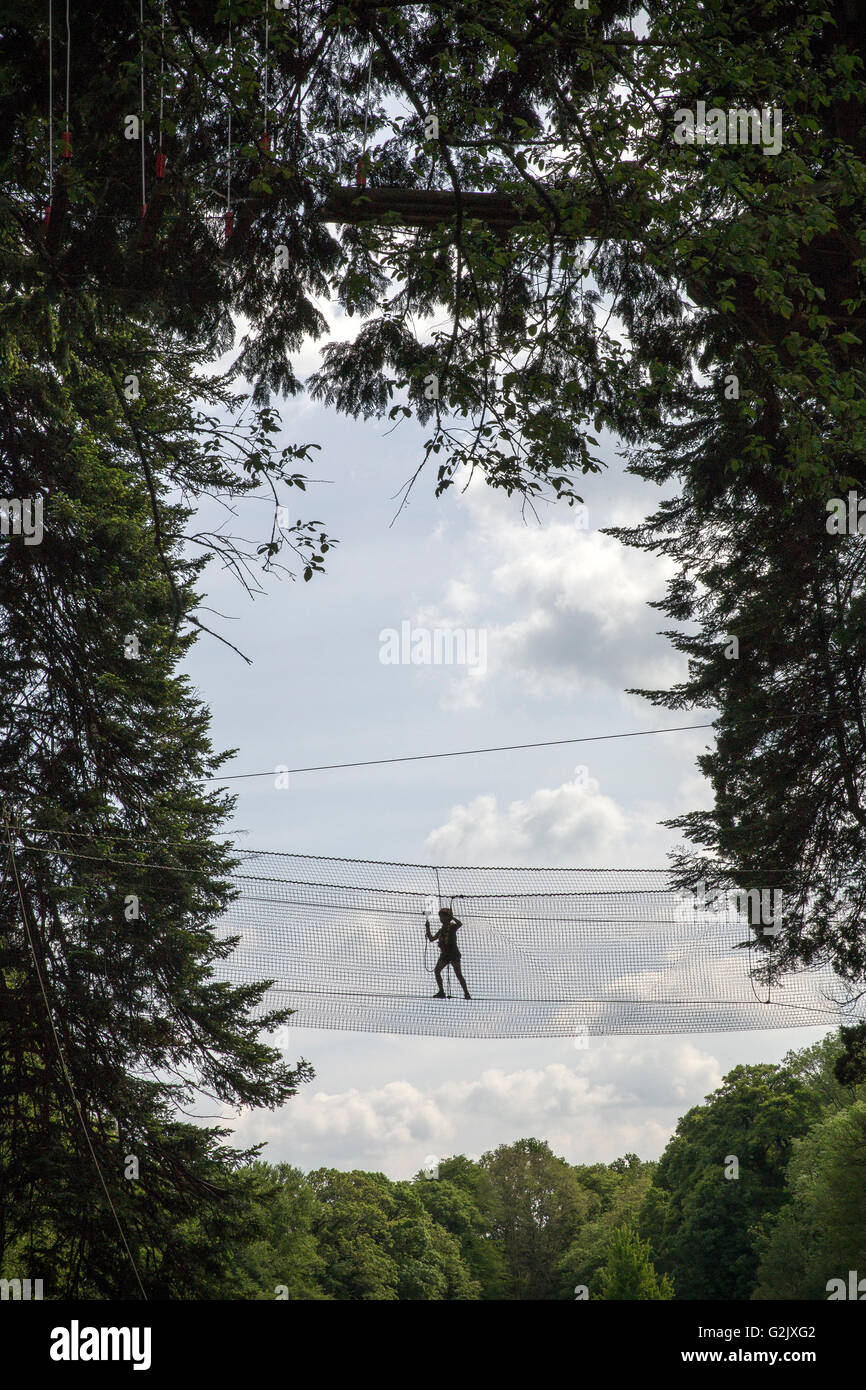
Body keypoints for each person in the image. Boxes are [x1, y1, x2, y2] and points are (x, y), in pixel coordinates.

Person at [426, 906, 471, 1000]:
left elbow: (460, 924)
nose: (441, 919)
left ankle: (466, 993)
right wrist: (428, 928)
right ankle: (441, 991)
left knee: (458, 974)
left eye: (443, 916)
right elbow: (431, 939)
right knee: (437, 971)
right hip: (445, 955)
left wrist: (452, 917)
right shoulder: (441, 930)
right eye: (441, 917)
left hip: (453, 953)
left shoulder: (452, 927)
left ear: (448, 917)